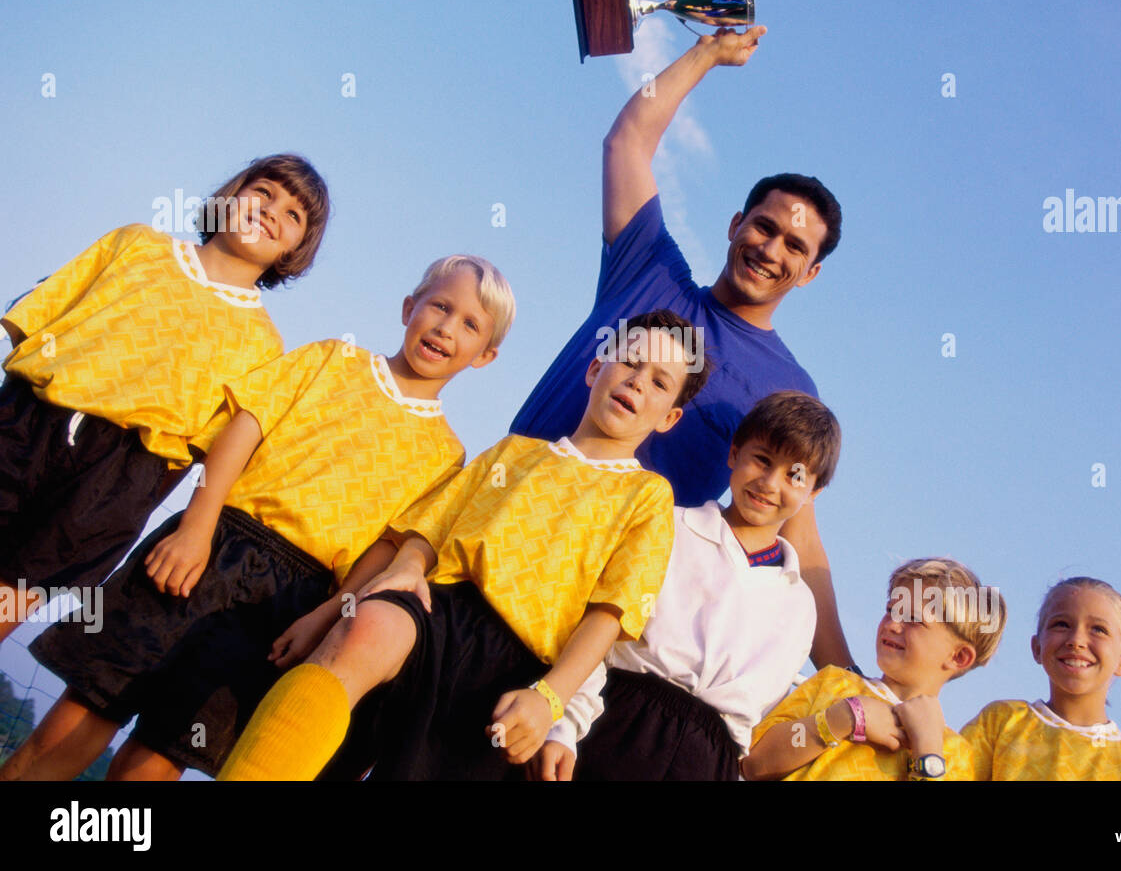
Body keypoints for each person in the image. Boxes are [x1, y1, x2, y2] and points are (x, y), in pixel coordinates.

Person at [3, 255, 510, 780]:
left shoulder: (448, 455)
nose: (447, 328)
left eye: (470, 324)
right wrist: (196, 528)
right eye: (440, 306)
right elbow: (243, 429)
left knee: (160, 754)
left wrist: (326, 615)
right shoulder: (331, 359)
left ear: (485, 355)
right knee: (87, 708)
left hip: (289, 603)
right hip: (210, 547)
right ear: (410, 308)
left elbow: (386, 549)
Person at [218, 309, 709, 781]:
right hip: (436, 610)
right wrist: (406, 567)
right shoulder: (513, 451)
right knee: (363, 627)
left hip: (516, 669)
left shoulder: (648, 498)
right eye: (630, 361)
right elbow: (429, 529)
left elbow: (609, 615)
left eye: (660, 381)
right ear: (597, 367)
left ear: (669, 418)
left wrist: (551, 698)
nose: (638, 381)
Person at [511, 27, 855, 669]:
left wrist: (843, 675)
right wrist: (708, 54)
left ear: (810, 273)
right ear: (736, 224)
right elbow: (627, 141)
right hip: (508, 516)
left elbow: (800, 535)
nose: (771, 249)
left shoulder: (790, 389)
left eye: (795, 247)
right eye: (765, 226)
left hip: (603, 609)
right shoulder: (647, 269)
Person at [0, 153, 329, 642]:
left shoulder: (264, 345)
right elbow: (31, 319)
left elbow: (201, 448)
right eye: (264, 192)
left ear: (296, 249)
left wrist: (121, 502)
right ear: (231, 196)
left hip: (118, 475)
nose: (271, 211)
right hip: (30, 419)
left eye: (293, 214)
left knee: (10, 593)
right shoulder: (136, 244)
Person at [533, 390, 840, 782]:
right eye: (761, 460)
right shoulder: (665, 526)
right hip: (617, 720)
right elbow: (595, 629)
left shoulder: (800, 605)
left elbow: (760, 722)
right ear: (734, 454)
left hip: (712, 760)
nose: (768, 482)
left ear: (812, 493)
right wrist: (564, 726)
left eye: (794, 475)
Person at [744, 558, 1006, 781]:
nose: (892, 624)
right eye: (891, 610)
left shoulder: (955, 754)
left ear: (958, 656)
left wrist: (928, 753)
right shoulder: (833, 683)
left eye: (913, 618)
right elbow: (756, 762)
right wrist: (844, 718)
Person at [961, 576, 1121, 780]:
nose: (1077, 640)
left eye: (1099, 629)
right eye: (1061, 624)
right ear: (1037, 647)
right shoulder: (1002, 724)